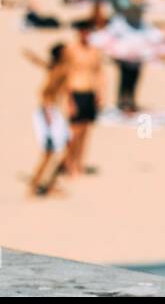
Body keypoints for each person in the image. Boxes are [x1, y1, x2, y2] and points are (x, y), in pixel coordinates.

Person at [57, 25, 105, 177]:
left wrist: (100, 92)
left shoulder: (94, 51)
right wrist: (69, 98)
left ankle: (79, 162)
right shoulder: (71, 50)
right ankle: (68, 162)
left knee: (85, 131)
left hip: (90, 92)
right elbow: (65, 72)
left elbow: (99, 72)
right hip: (76, 91)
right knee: (74, 132)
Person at [22, 44, 69, 196]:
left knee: (56, 149)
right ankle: (36, 185)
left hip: (50, 110)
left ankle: (46, 183)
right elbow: (47, 92)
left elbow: (43, 64)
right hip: (49, 110)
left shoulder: (56, 67)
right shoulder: (61, 69)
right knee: (50, 151)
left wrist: (32, 57)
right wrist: (49, 112)